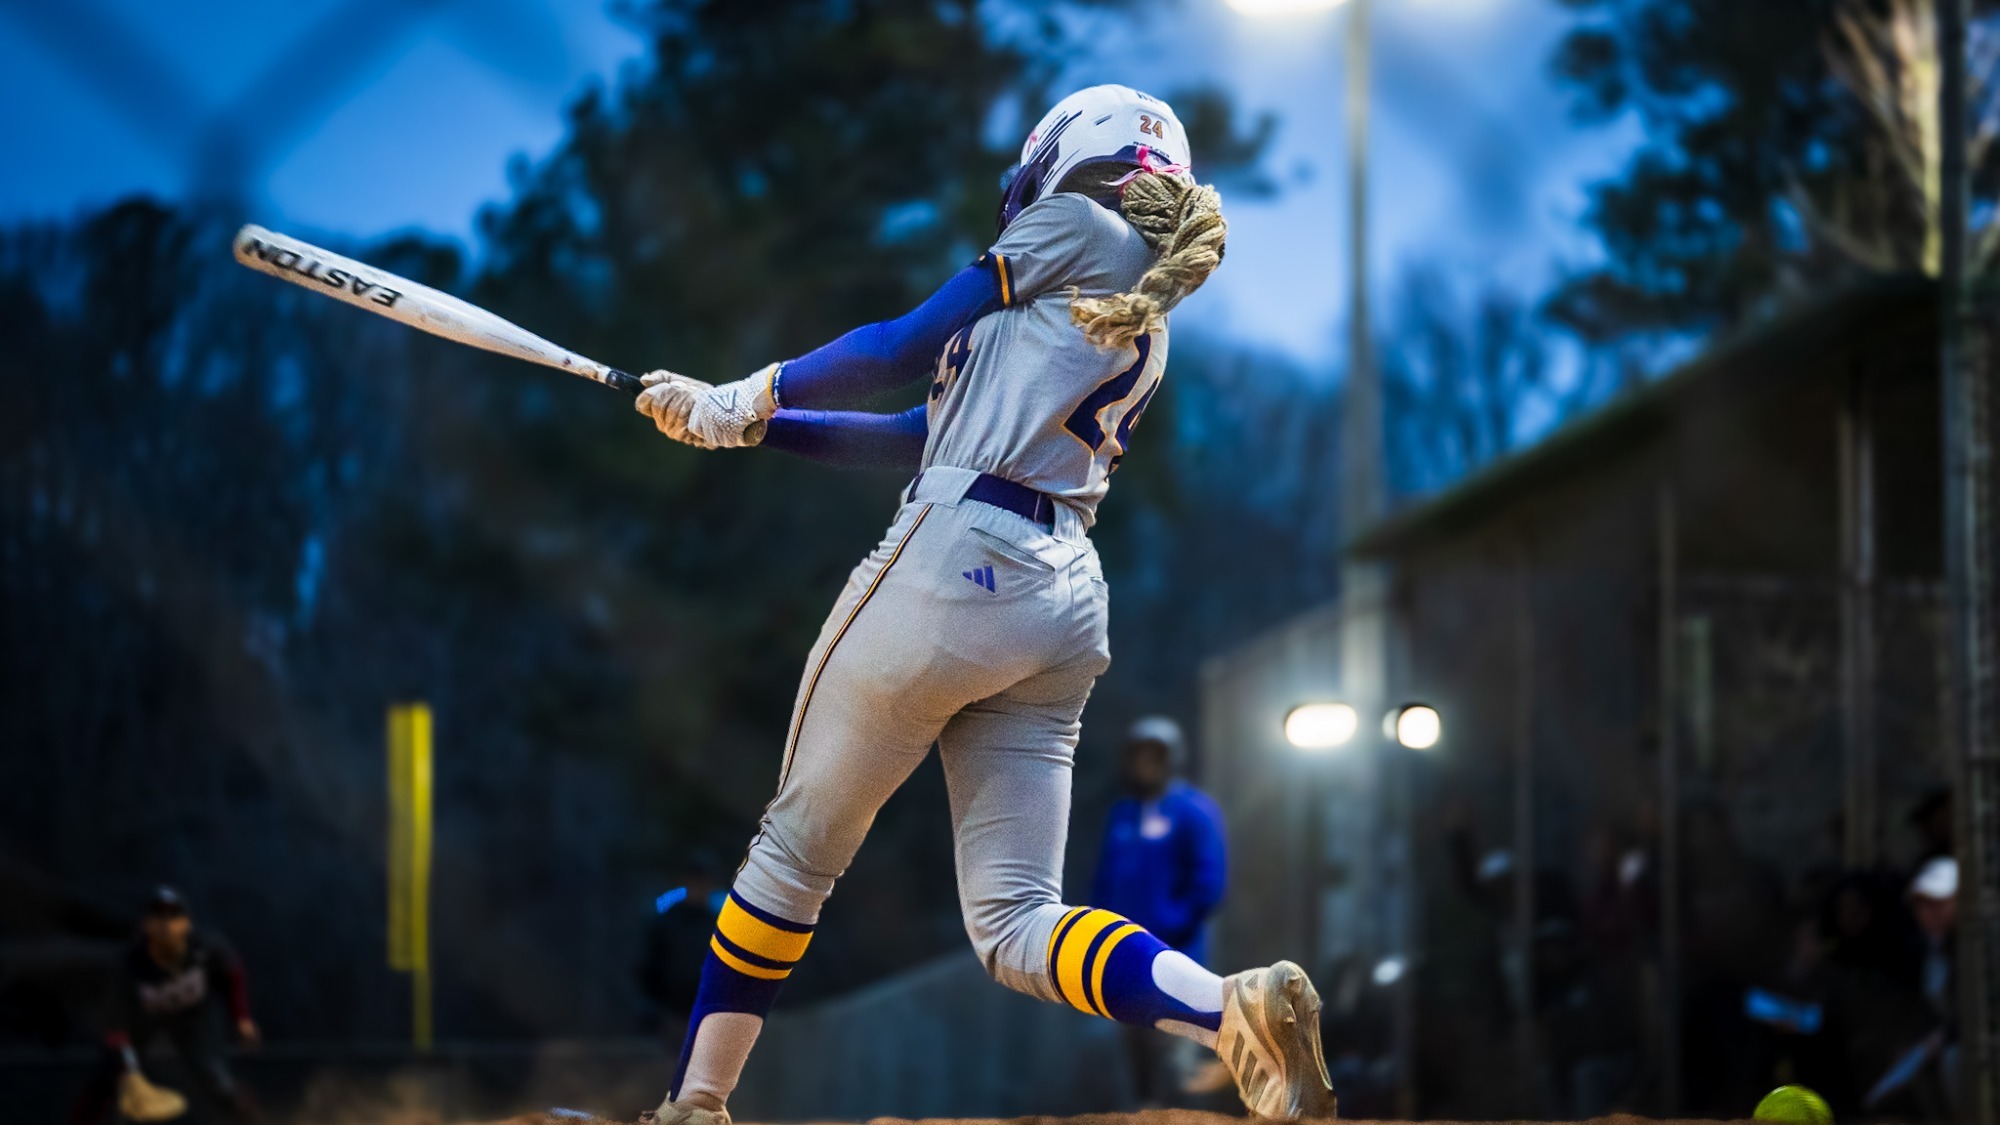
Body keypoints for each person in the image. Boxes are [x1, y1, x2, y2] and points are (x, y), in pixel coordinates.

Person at [631, 85, 1336, 1124]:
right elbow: (920, 429)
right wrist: (748, 428)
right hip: (1058, 601)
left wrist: (755, 387)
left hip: (956, 558)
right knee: (1016, 924)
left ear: (1059, 158)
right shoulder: (1130, 286)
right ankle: (1226, 1006)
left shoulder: (1071, 223)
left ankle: (696, 1104)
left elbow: (894, 347)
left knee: (793, 853)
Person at [1093, 716, 1227, 1106]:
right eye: (1139, 757)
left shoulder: (1194, 811)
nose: (1146, 765)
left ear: (1172, 760)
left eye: (1155, 757)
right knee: (1138, 1069)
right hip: (1122, 964)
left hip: (1175, 960)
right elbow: (1104, 879)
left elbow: (1209, 884)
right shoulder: (1122, 816)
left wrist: (1173, 929)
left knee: (1176, 1063)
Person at [69, 887, 261, 1125]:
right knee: (107, 1077)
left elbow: (232, 974)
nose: (166, 924)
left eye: (173, 916)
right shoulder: (129, 965)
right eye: (158, 916)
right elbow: (115, 1027)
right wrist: (129, 1069)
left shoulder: (206, 948)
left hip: (192, 1020)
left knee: (218, 1083)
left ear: (187, 923)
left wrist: (241, 1018)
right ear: (145, 924)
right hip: (142, 1024)